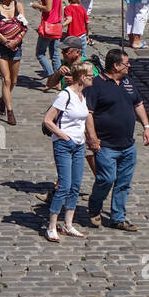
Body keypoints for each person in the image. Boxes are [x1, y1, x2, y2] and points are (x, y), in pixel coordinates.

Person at [84, 49, 149, 232]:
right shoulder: (96, 85)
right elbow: (88, 113)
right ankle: (94, 207)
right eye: (126, 63)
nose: (129, 66)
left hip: (127, 145)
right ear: (115, 65)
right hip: (105, 144)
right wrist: (92, 138)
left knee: (124, 182)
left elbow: (138, 104)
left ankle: (118, 218)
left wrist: (146, 126)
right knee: (106, 179)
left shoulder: (128, 82)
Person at [42, 62, 94, 242]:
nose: (92, 77)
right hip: (64, 145)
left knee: (75, 186)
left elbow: (84, 119)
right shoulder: (65, 95)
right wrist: (63, 136)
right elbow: (48, 120)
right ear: (81, 77)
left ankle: (68, 224)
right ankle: (51, 226)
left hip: (79, 145)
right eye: (90, 75)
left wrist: (87, 138)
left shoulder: (82, 95)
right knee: (64, 186)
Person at [0, 0, 27, 124]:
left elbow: (24, 26)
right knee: (6, 79)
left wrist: (16, 41)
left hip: (16, 46)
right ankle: (10, 111)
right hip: (1, 47)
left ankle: (2, 100)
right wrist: (6, 41)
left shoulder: (18, 5)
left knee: (14, 80)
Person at [33, 0, 66, 84]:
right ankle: (59, 82)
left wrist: (36, 6)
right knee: (55, 55)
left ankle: (52, 77)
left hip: (49, 26)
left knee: (40, 53)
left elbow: (48, 8)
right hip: (57, 25)